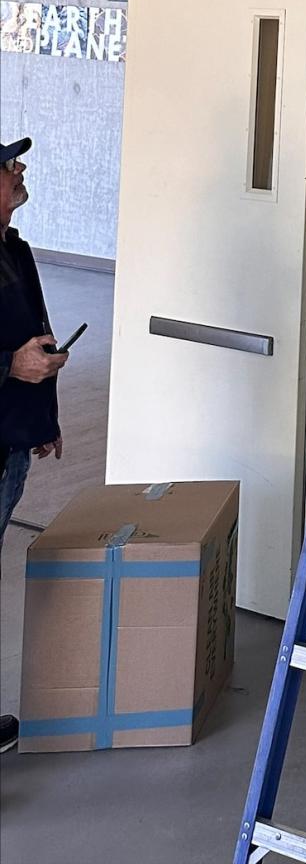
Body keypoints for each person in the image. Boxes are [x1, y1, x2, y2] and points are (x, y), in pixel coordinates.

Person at [1, 137, 67, 757]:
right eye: (6, 165)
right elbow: (14, 357)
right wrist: (9, 366)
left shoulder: (12, 249)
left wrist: (44, 416)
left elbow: (32, 343)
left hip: (11, 442)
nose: (19, 170)